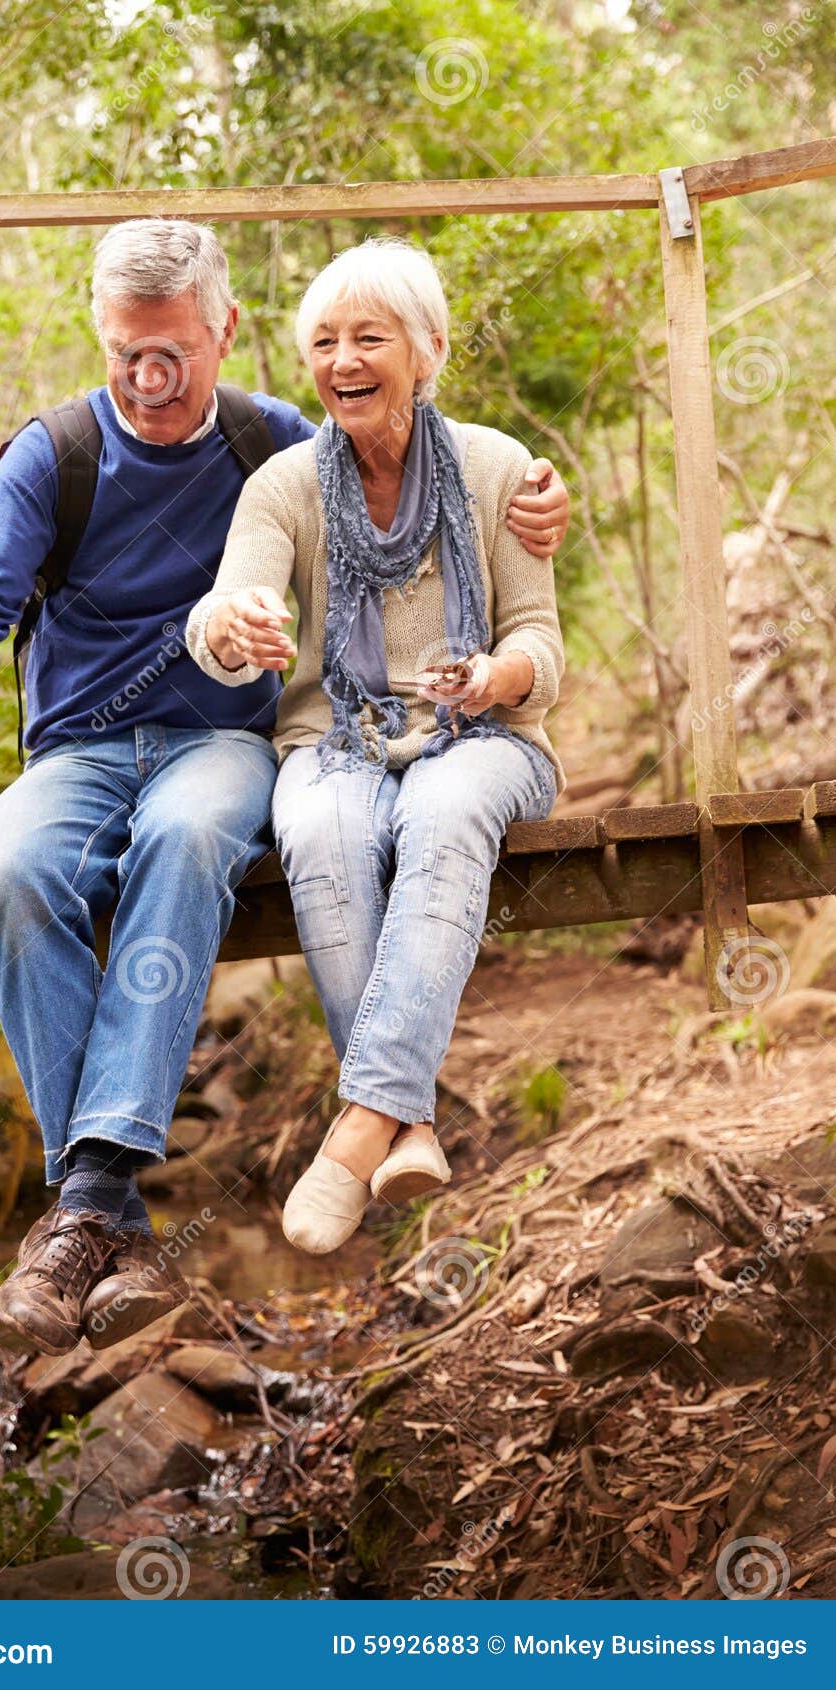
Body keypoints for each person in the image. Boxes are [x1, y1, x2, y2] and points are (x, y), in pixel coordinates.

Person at [0, 221, 570, 1353]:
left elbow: (391, 485)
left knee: (184, 838)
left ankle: (81, 1215)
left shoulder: (272, 441)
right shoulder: (56, 452)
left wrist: (537, 512)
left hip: (217, 745)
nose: (147, 376)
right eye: (125, 351)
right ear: (100, 336)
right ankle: (106, 1212)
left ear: (222, 332)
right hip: (71, 751)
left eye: (169, 349)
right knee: (12, 871)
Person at [187, 238, 565, 1254]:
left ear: (427, 350)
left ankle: (356, 1131)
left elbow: (541, 643)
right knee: (316, 824)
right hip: (336, 738)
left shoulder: (497, 471)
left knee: (442, 810)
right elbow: (230, 605)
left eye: (368, 336)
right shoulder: (283, 485)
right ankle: (411, 1118)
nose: (342, 358)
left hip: (485, 738)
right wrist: (238, 625)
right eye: (322, 340)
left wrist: (493, 677)